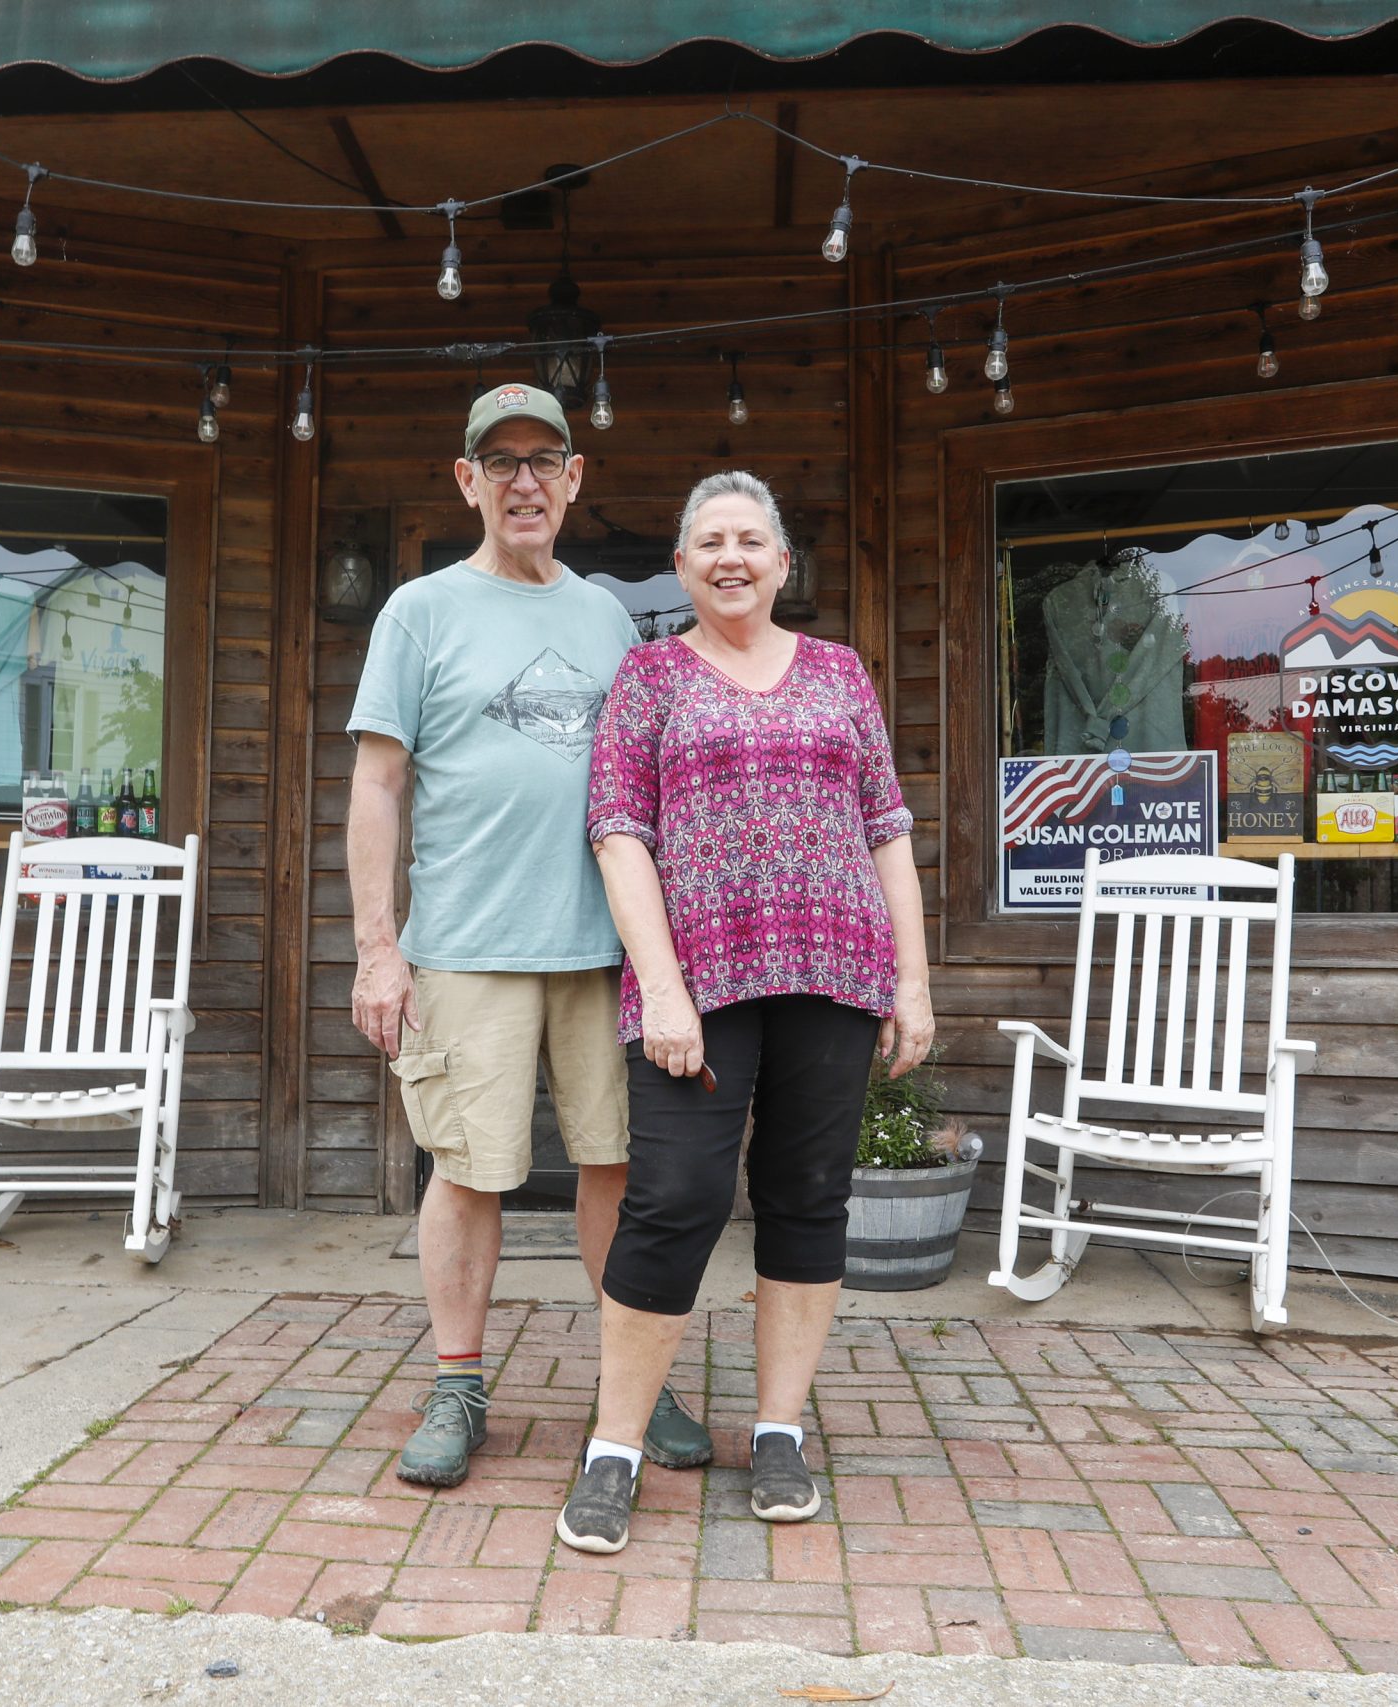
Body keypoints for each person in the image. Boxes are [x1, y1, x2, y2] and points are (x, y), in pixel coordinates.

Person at [346, 382, 717, 1490]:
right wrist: (378, 946)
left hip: (603, 951)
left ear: (573, 478)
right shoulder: (417, 611)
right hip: (465, 945)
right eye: (497, 461)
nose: (521, 481)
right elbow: (375, 784)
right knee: (466, 1172)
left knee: (616, 1169)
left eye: (541, 459)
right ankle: (458, 1383)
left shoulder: (606, 615)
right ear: (466, 481)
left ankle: (631, 1382)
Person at [557, 470, 931, 1554]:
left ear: (780, 563)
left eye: (750, 539)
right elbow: (619, 834)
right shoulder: (647, 678)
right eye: (709, 540)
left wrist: (910, 981)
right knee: (672, 1199)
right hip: (700, 983)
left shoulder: (840, 674)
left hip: (836, 972)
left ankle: (778, 1431)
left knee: (808, 1198)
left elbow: (886, 830)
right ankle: (614, 1446)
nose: (731, 555)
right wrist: (661, 984)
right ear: (680, 566)